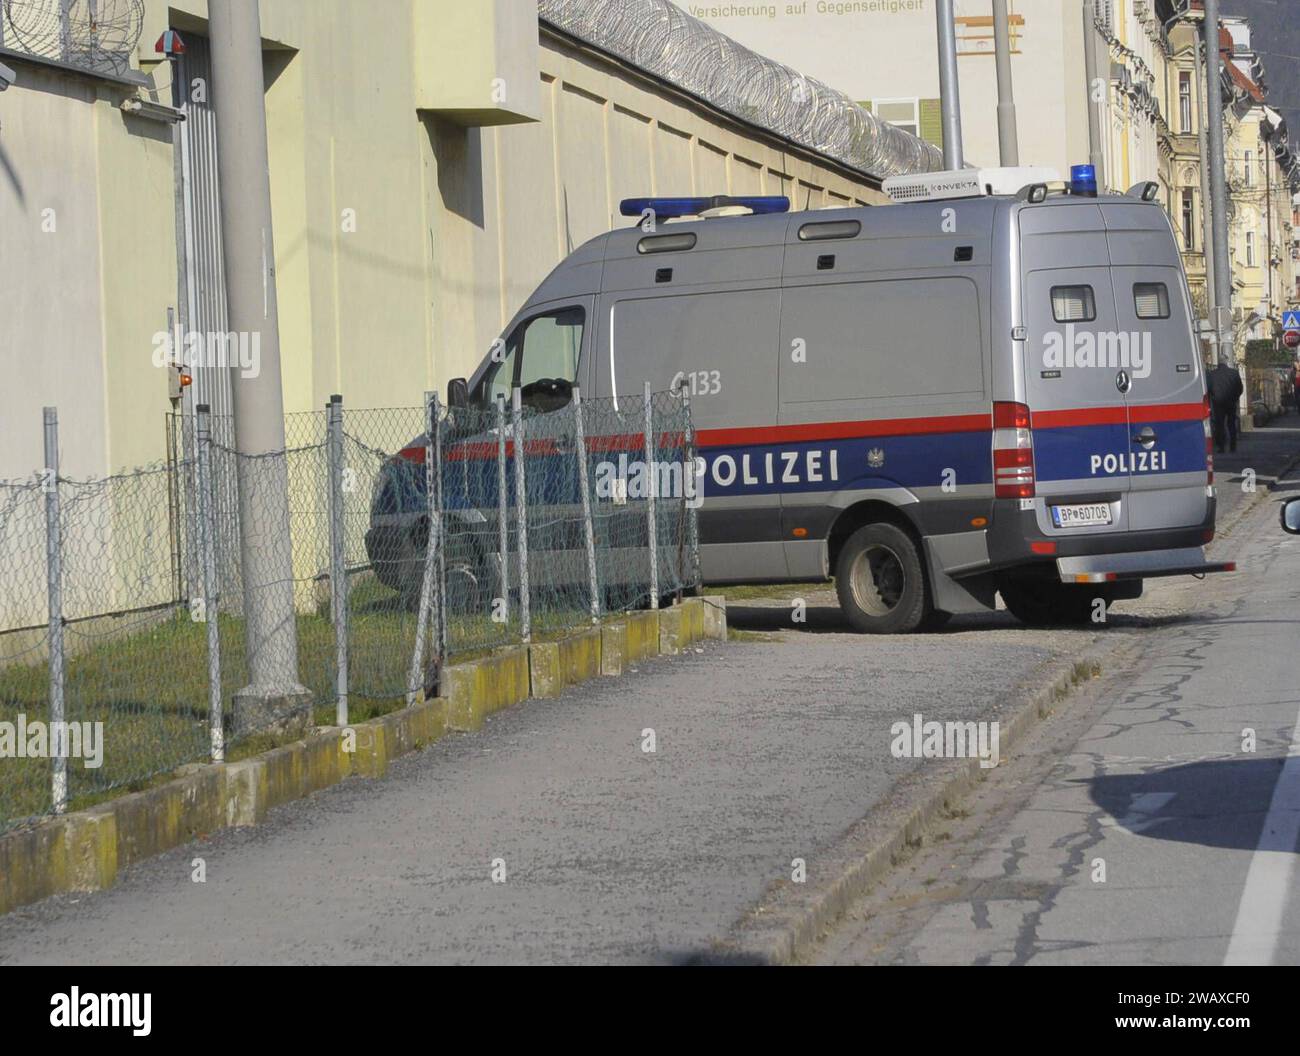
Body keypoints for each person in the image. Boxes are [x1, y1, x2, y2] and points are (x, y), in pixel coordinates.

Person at [1207, 361, 1244, 453]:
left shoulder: (1212, 374)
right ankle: (1233, 446)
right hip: (1231, 402)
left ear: (1218, 364)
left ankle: (1221, 446)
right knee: (1231, 424)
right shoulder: (1234, 373)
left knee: (1220, 425)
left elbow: (1208, 389)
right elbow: (1240, 388)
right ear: (1226, 363)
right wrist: (1235, 398)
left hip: (1218, 403)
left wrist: (1213, 398)